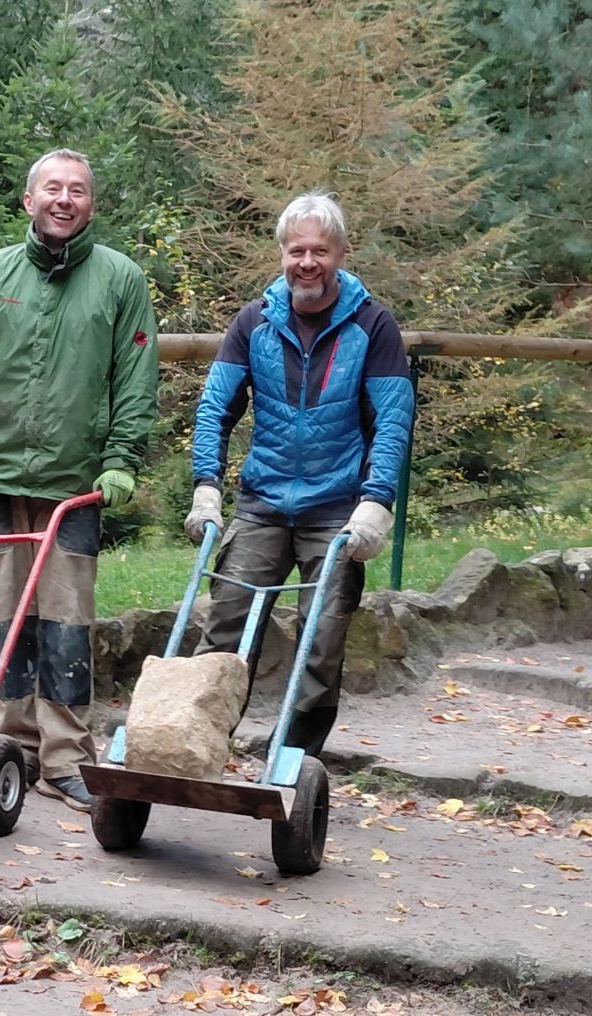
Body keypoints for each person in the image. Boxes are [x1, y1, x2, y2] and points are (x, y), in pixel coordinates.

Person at [0, 148, 158, 812]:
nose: (64, 199)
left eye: (78, 190)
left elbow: (135, 380)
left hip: (73, 481)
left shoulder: (120, 280)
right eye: (52, 189)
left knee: (64, 620)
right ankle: (14, 748)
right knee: (6, 617)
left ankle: (64, 757)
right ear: (28, 201)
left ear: (92, 204)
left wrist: (121, 457)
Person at [184, 192, 413, 757]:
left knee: (322, 636)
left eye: (320, 250)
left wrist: (376, 502)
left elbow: (393, 418)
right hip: (263, 499)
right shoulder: (254, 323)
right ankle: (197, 743)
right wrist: (206, 486)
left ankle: (293, 760)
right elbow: (216, 406)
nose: (307, 262)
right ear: (282, 254)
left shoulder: (371, 325)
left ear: (340, 253)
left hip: (336, 505)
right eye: (297, 251)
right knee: (228, 626)